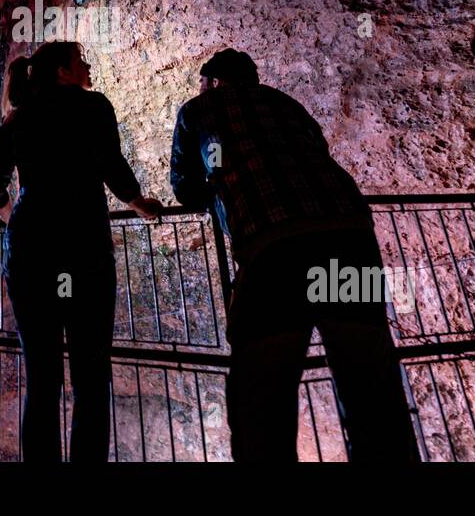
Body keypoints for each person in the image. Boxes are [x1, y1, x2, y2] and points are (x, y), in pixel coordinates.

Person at [169, 48, 420, 462]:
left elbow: (185, 186)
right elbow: (315, 148)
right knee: (371, 386)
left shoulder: (200, 109)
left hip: (275, 244)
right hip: (349, 235)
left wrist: (217, 188)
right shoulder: (285, 103)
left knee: (261, 395)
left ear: (212, 82)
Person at [0, 41, 162, 462]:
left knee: (42, 379)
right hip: (83, 250)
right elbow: (111, 165)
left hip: (30, 253)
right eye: (81, 61)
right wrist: (140, 205)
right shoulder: (92, 106)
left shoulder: (19, 118)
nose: (87, 67)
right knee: (90, 376)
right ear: (63, 71)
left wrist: (14, 219)